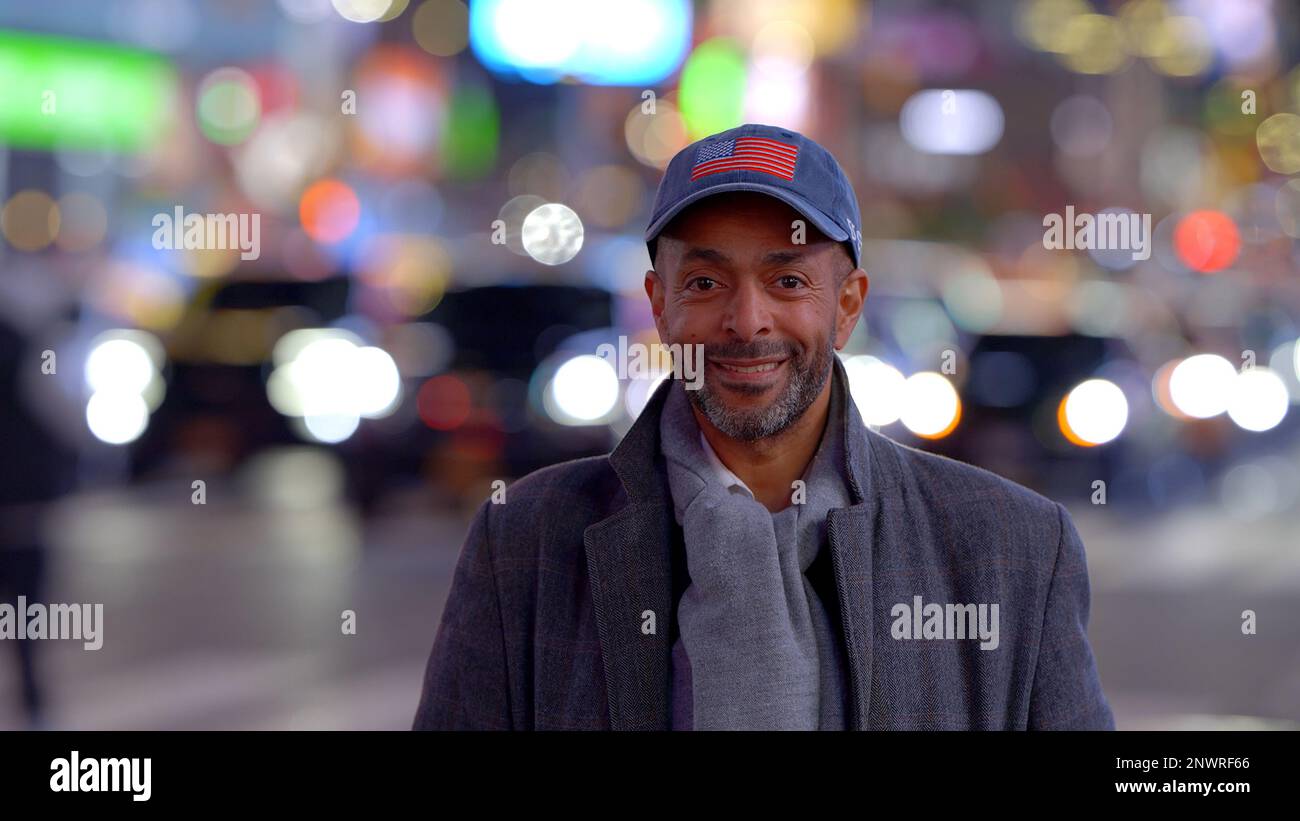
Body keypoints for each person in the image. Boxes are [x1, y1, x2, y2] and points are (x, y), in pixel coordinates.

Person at [412, 123, 1114, 730]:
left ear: (847, 304)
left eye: (787, 281)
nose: (747, 323)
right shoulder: (525, 543)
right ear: (659, 304)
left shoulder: (1013, 549)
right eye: (706, 283)